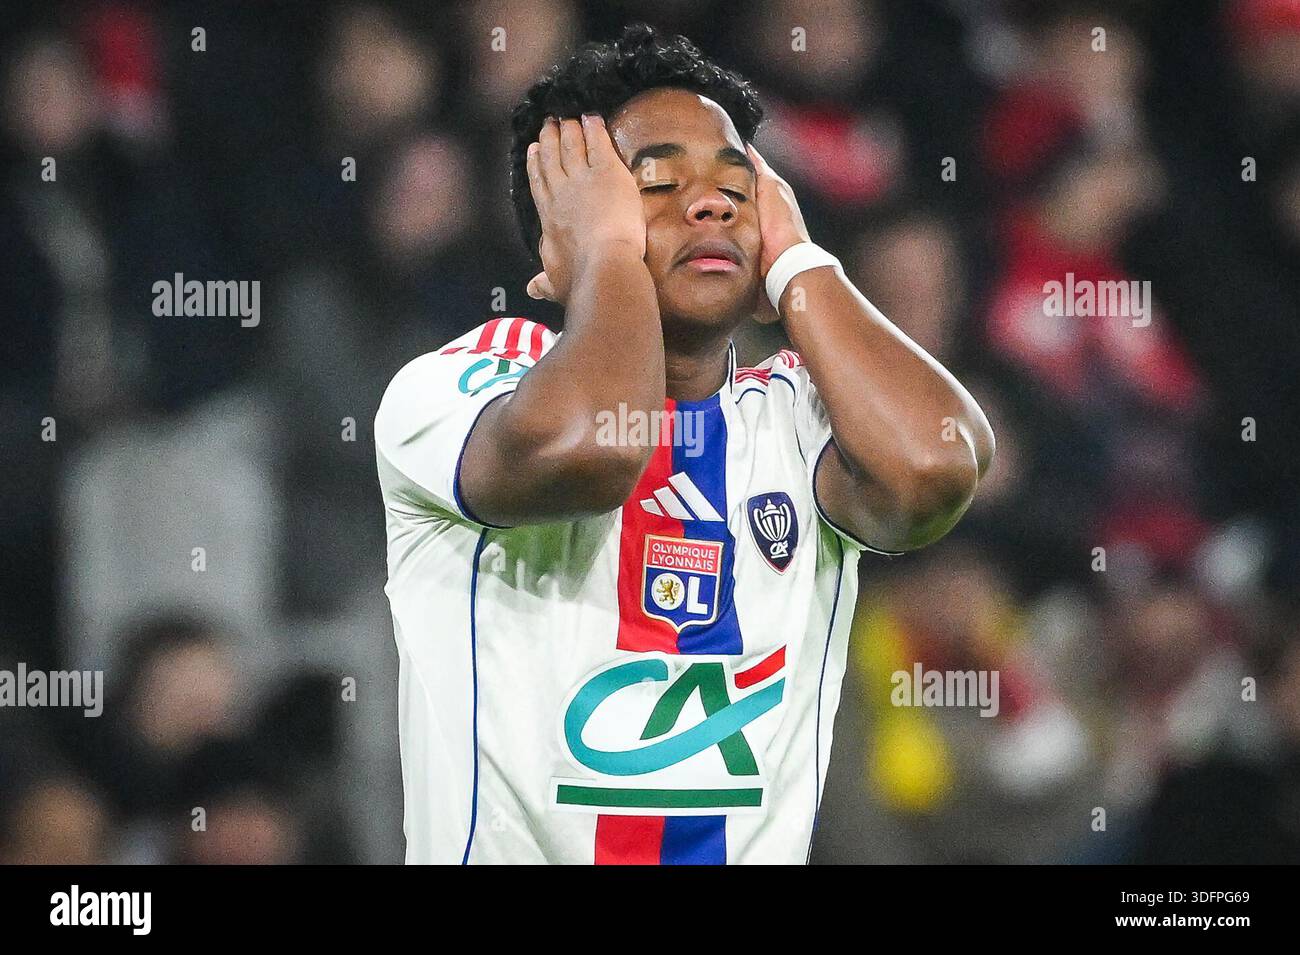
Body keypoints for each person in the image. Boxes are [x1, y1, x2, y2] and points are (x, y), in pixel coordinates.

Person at [374, 24, 993, 864]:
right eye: (656, 183)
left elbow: (935, 468)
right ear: (555, 248)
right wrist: (604, 254)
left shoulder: (796, 417)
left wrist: (799, 261)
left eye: (738, 187)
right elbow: (592, 446)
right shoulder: (461, 386)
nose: (711, 204)